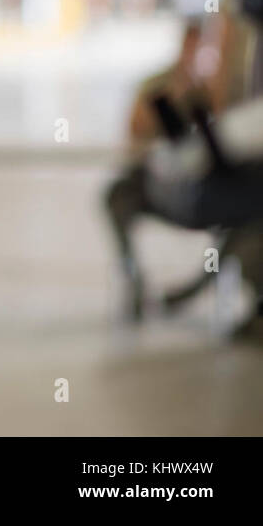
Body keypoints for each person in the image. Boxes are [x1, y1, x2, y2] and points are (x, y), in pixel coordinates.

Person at [103, 19, 211, 320]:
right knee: (116, 198)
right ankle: (134, 278)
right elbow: (135, 133)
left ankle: (193, 289)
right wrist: (174, 96)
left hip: (198, 186)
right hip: (155, 178)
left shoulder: (213, 89)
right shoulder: (157, 86)